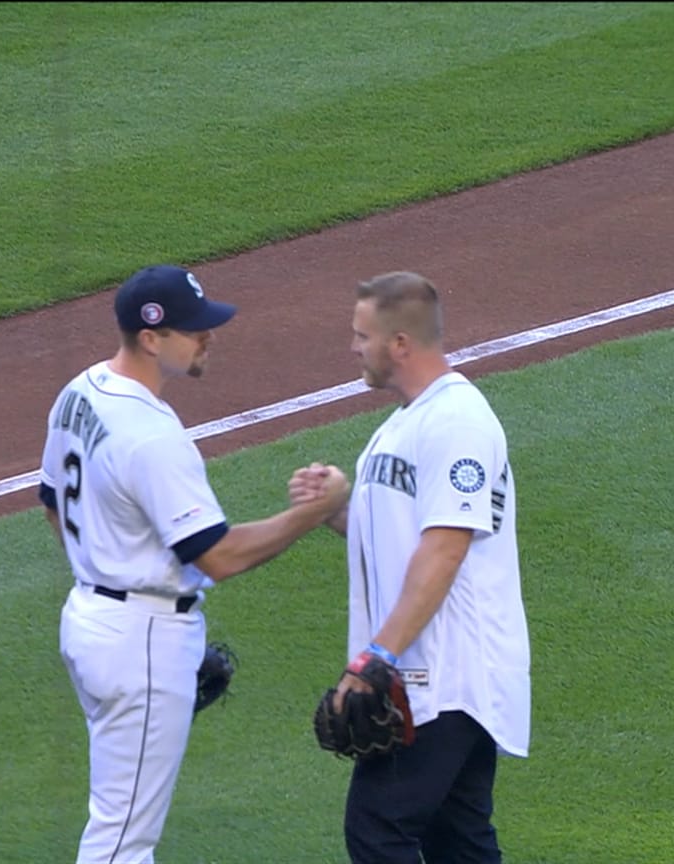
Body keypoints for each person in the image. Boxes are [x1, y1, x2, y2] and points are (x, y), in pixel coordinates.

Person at [37, 263, 350, 864]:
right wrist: (317, 512)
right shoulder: (152, 437)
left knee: (121, 821)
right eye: (193, 329)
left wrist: (111, 567)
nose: (208, 336)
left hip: (91, 620)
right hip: (140, 640)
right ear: (151, 338)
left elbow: (53, 503)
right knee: (122, 843)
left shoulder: (79, 391)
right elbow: (219, 554)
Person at [291, 271, 531, 864]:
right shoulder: (404, 424)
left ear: (399, 343)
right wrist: (337, 510)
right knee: (458, 840)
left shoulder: (457, 421)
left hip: (447, 675)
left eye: (362, 335)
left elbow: (447, 547)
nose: (353, 347)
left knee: (378, 827)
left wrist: (375, 659)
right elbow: (400, 537)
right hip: (428, 672)